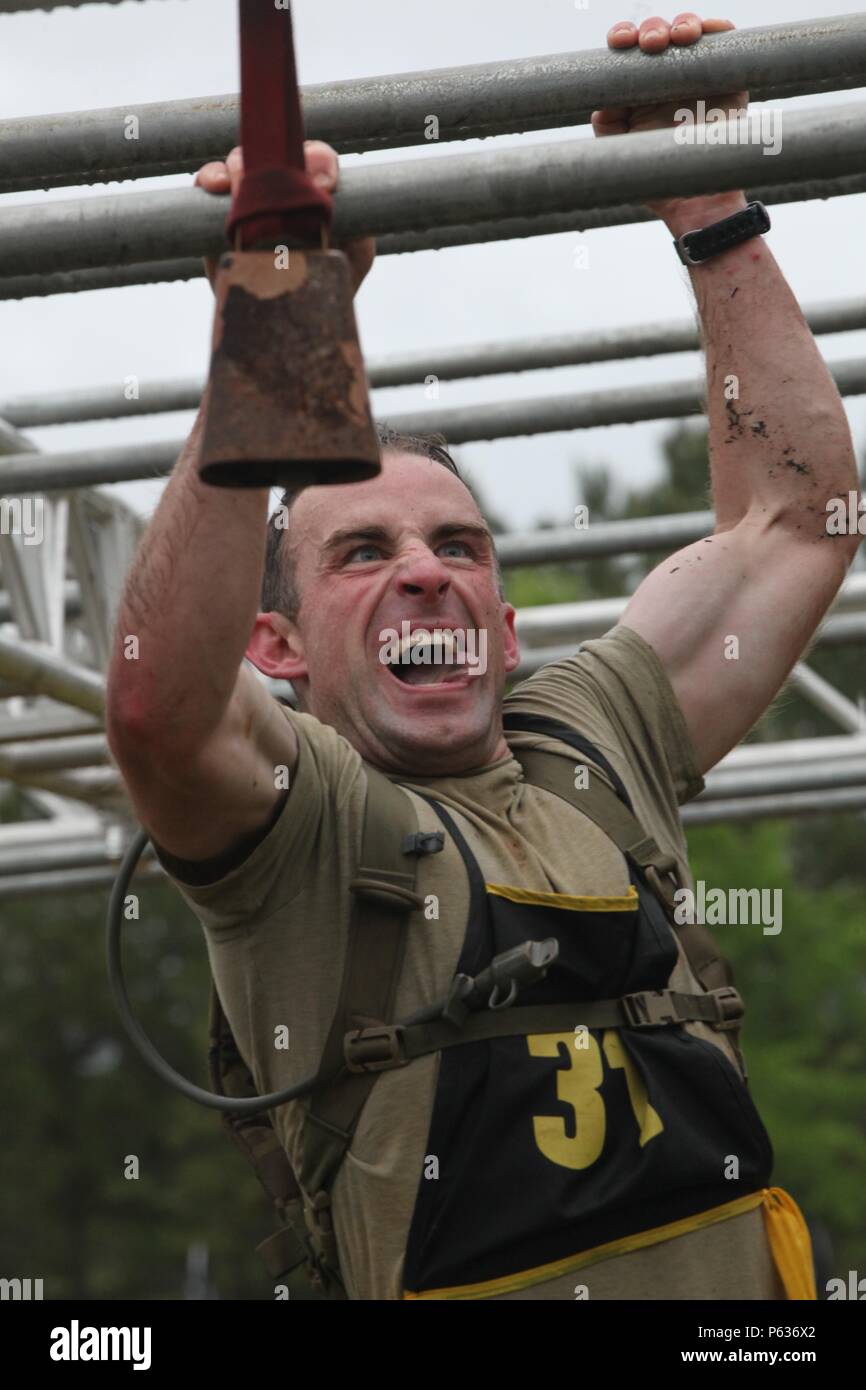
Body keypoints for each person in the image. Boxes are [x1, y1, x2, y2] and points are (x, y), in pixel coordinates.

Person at [106, 13, 859, 1300]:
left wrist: (707, 199)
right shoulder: (304, 828)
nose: (425, 566)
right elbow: (159, 709)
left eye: (458, 542)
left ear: (505, 626)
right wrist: (279, 325)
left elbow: (796, 519)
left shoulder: (589, 737)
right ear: (272, 644)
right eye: (362, 553)